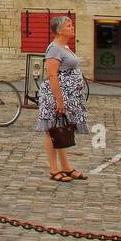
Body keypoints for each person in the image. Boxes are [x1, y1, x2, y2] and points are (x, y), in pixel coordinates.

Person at [36, 15, 89, 182]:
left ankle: (66, 167)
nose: (72, 27)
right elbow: (52, 74)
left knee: (61, 130)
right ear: (59, 30)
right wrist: (59, 101)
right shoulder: (54, 48)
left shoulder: (65, 47)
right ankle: (54, 169)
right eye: (68, 25)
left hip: (69, 96)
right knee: (52, 131)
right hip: (54, 96)